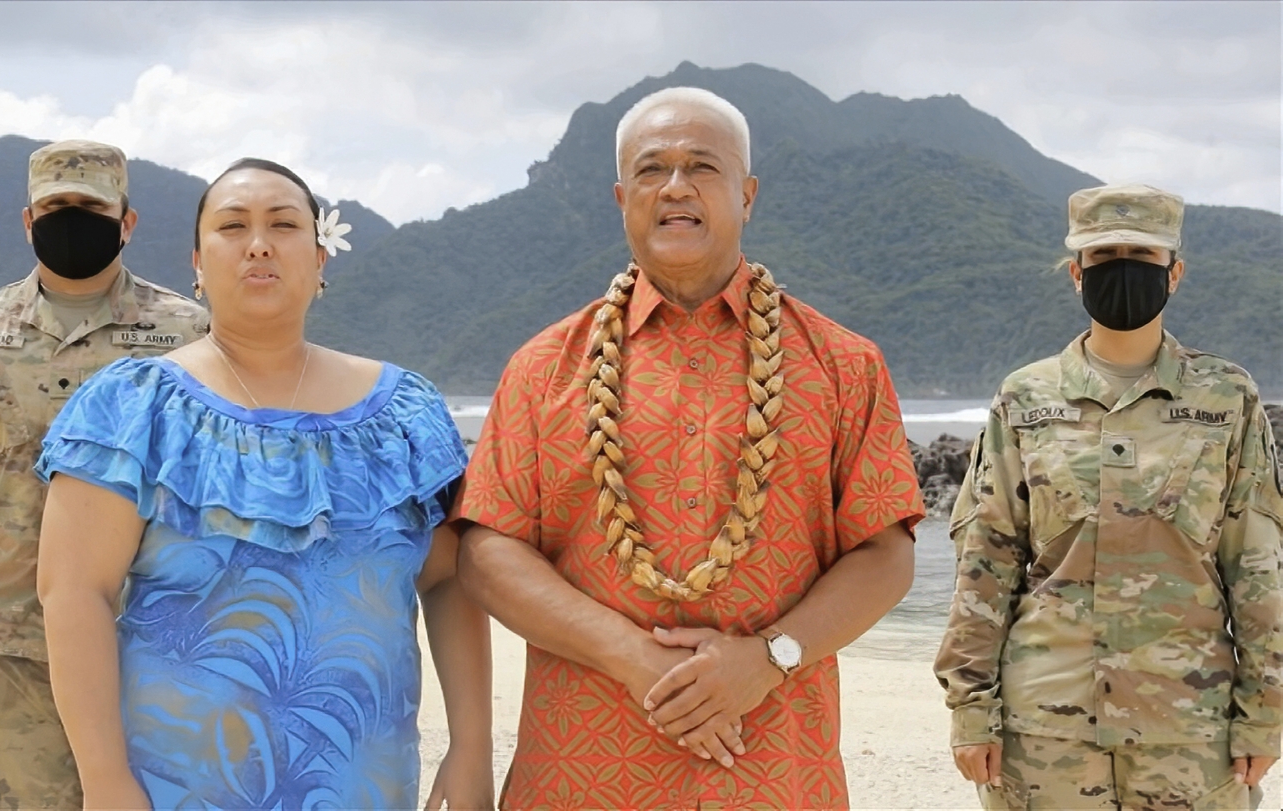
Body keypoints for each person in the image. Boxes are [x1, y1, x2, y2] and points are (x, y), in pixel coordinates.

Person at [453, 86, 926, 809]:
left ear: (747, 193)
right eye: (652, 170)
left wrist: (770, 659)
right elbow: (487, 554)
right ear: (621, 196)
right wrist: (629, 655)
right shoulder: (543, 367)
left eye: (702, 166)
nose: (675, 186)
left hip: (773, 772)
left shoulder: (842, 364)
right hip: (582, 777)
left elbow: (886, 552)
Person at [33, 158, 494, 810]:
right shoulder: (132, 410)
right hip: (173, 789)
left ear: (319, 258)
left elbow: (448, 577)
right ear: (197, 261)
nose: (258, 242)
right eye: (232, 225)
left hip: (365, 785)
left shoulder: (405, 414)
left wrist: (471, 745)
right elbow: (73, 591)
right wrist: (104, 779)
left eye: (283, 224)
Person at [935, 184, 1282, 810]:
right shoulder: (1024, 400)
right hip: (1045, 732)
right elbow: (985, 564)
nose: (1122, 267)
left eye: (1141, 255)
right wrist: (969, 708)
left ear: (1173, 274)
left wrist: (1265, 711)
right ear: (1076, 274)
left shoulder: (1226, 398)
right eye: (1103, 255)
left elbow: (1257, 567)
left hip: (1189, 730)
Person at [0, 139, 208, 809]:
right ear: (28, 220)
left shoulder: (188, 337)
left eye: (89, 205)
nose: (71, 217)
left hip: (156, 641)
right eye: (55, 206)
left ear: (127, 220)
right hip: (14, 645)